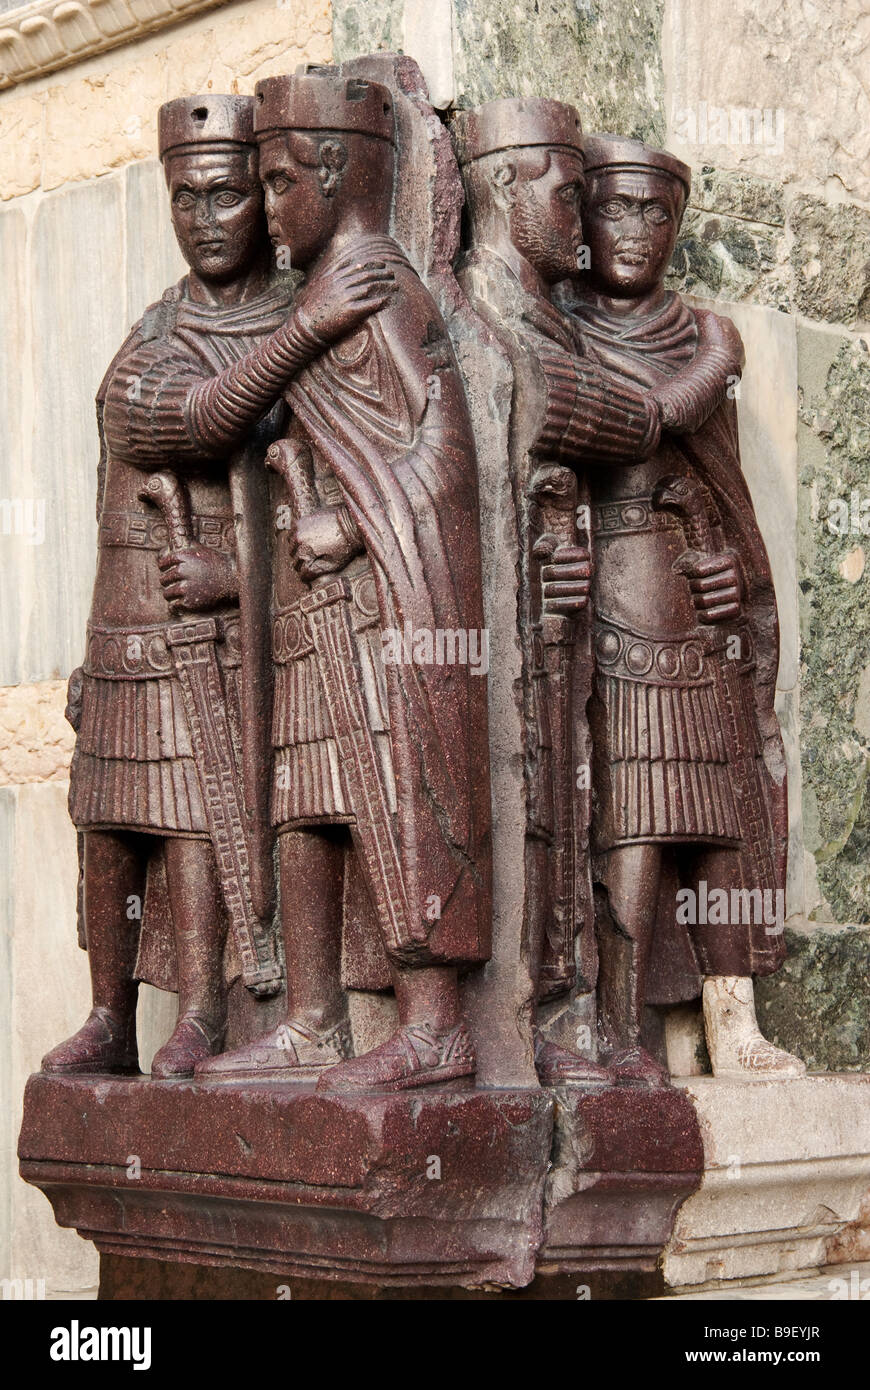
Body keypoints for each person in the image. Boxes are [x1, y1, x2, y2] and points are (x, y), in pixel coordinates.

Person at [199, 68, 492, 1092]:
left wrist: (352, 525)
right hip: (311, 602)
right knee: (306, 802)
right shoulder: (320, 296)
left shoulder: (380, 285)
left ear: (337, 168)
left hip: (384, 602)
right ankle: (315, 1019)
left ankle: (437, 1026)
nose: (269, 211)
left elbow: (441, 452)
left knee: (400, 789)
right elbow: (218, 420)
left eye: (278, 182)